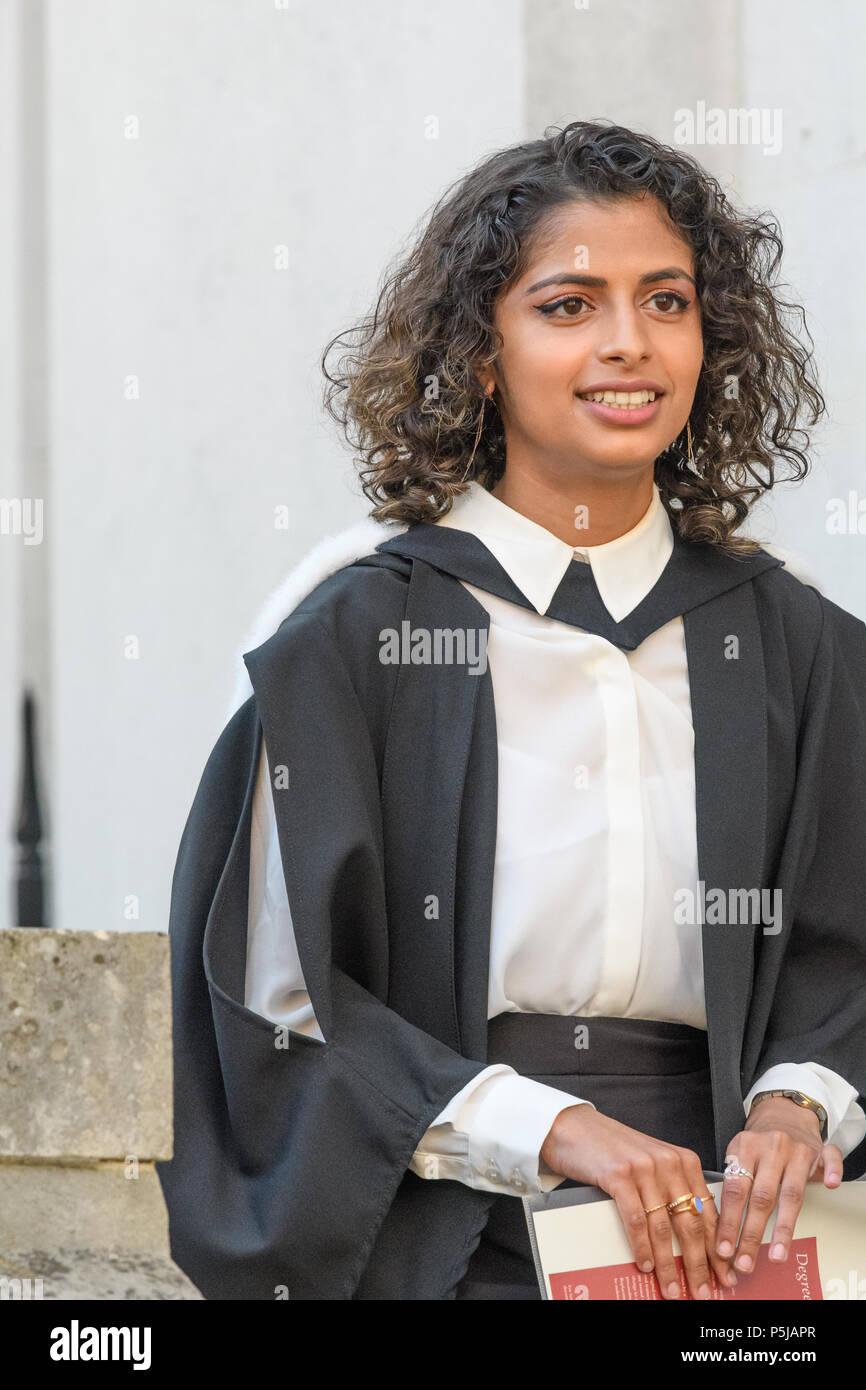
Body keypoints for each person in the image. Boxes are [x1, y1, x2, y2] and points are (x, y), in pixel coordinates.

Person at [157, 119, 866, 1301]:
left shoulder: (792, 645)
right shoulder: (357, 639)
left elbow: (845, 944)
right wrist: (553, 1128)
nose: (628, 345)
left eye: (666, 301)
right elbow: (284, 994)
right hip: (457, 1231)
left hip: (752, 1249)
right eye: (567, 305)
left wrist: (797, 1101)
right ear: (479, 354)